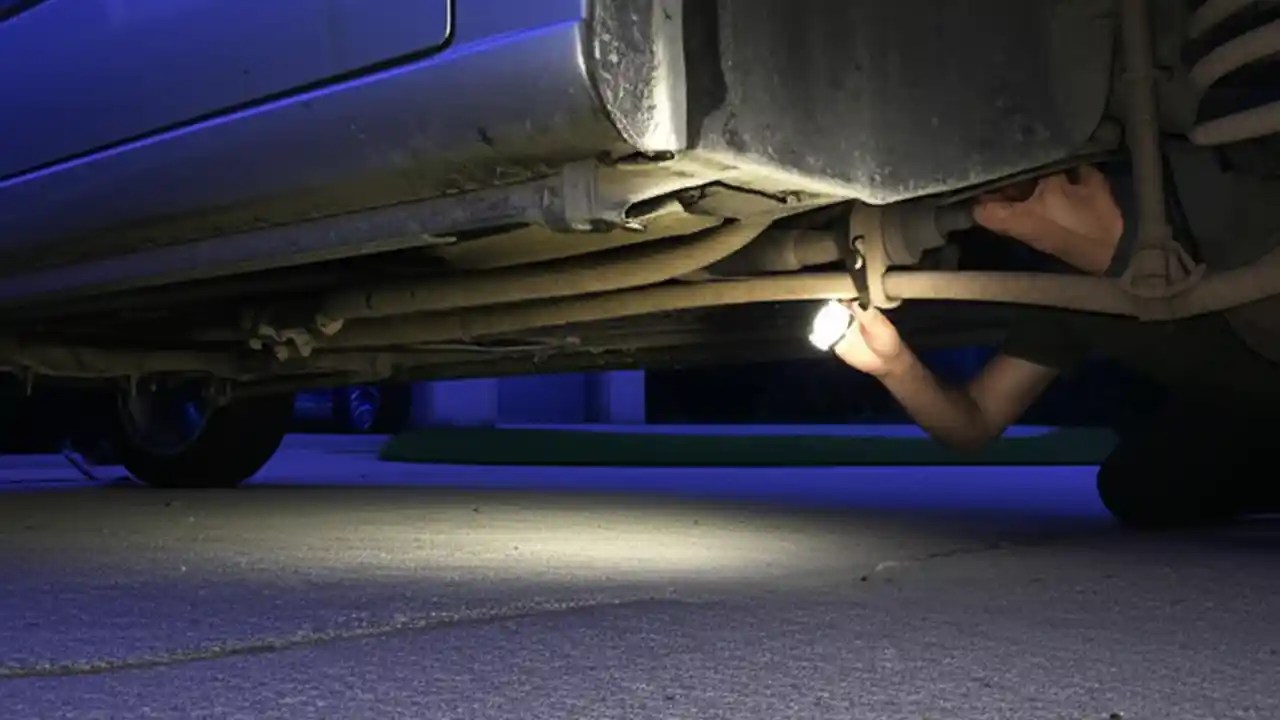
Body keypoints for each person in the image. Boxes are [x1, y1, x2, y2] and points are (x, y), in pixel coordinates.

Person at [833, 164, 1280, 528]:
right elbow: (974, 422)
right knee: (1134, 486)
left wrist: (1117, 251)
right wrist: (895, 366)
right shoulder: (1063, 292)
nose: (991, 208)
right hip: (1249, 413)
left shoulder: (1198, 189)